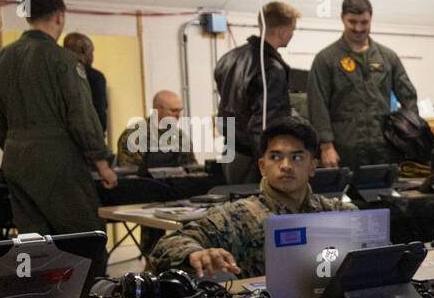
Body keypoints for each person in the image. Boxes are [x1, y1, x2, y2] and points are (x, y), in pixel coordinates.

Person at [0, 0, 118, 238]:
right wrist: (102, 163)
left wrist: (17, 146)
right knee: (85, 238)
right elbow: (82, 117)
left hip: (16, 160)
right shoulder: (63, 60)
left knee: (35, 245)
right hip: (59, 162)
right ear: (59, 17)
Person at [148, 118, 353, 278]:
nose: (286, 165)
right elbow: (167, 245)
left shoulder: (335, 212)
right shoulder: (237, 217)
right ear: (262, 166)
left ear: (313, 166)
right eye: (275, 157)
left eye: (297, 157)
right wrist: (195, 253)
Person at [307, 0, 418, 171]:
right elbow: (317, 104)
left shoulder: (387, 57)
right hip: (344, 150)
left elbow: (409, 97)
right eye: (352, 22)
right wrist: (326, 146)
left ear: (371, 19)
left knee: (385, 196)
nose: (358, 28)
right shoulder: (326, 59)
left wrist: (409, 135)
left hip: (384, 148)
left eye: (364, 22)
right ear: (342, 18)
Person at [215, 0, 301, 184]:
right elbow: (264, 123)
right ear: (283, 32)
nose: (292, 34)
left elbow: (226, 106)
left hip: (229, 151)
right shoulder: (271, 68)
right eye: (292, 30)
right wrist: (269, 164)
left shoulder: (228, 58)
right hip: (253, 158)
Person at [116, 90, 196, 170]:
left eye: (180, 110)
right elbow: (129, 173)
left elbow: (192, 168)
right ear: (158, 110)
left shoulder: (180, 136)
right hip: (145, 181)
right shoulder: (134, 135)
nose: (179, 115)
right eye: (173, 111)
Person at [63, 32, 108, 146]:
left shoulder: (57, 74)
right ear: (84, 51)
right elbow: (99, 112)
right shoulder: (95, 78)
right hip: (88, 143)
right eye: (91, 52)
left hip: (61, 143)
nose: (92, 57)